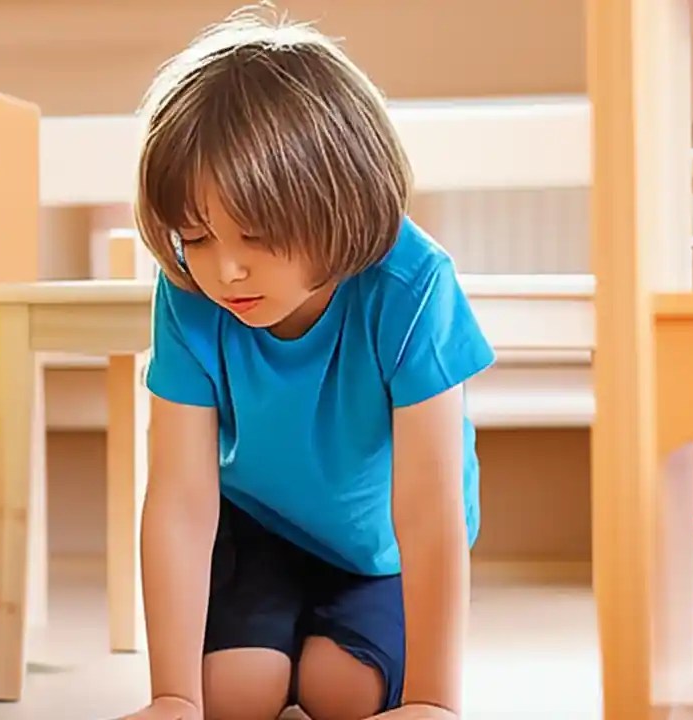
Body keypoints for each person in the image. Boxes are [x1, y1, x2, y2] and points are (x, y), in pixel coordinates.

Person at [120, 8, 495, 720]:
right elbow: (179, 498)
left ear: (340, 204)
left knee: (341, 691)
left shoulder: (413, 289)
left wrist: (434, 702)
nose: (225, 270)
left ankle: (326, 648)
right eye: (196, 237)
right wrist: (171, 697)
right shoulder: (188, 292)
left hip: (376, 548)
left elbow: (428, 510)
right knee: (231, 697)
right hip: (258, 527)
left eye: (255, 236)